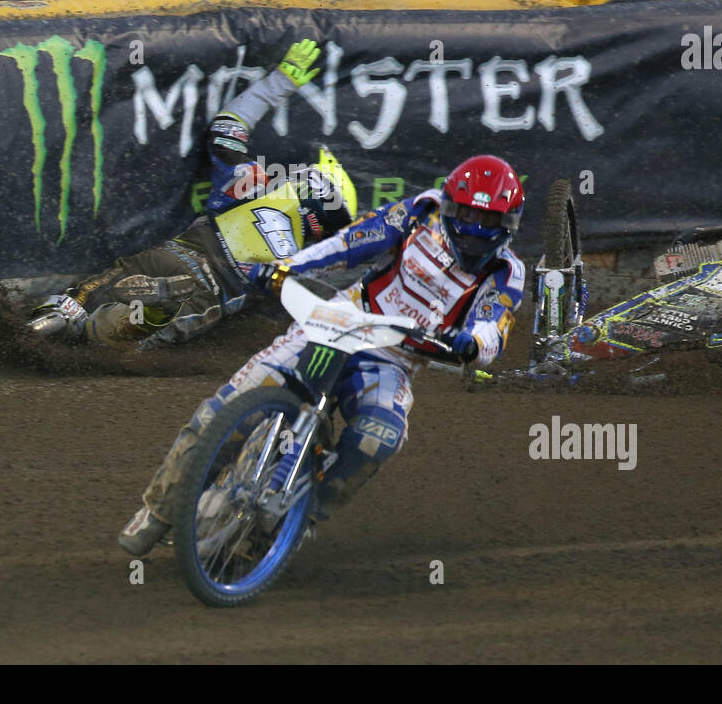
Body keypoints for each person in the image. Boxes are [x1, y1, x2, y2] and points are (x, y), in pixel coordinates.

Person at [118, 153, 527, 555]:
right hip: (342, 319)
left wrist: (473, 344)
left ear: (508, 223)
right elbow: (350, 243)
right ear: (451, 205)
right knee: (227, 407)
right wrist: (288, 267)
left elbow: (493, 326)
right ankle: (158, 510)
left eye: (489, 221)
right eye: (468, 214)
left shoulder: (507, 272)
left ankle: (302, 519)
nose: (476, 229)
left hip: (396, 357)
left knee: (379, 436)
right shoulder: (421, 212)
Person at [29, 39, 358, 349]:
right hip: (208, 297)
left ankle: (57, 318)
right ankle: (136, 317)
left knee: (80, 301)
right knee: (125, 343)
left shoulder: (250, 185)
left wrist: (280, 82)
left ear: (306, 191)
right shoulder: (298, 266)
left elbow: (228, 127)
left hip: (174, 254)